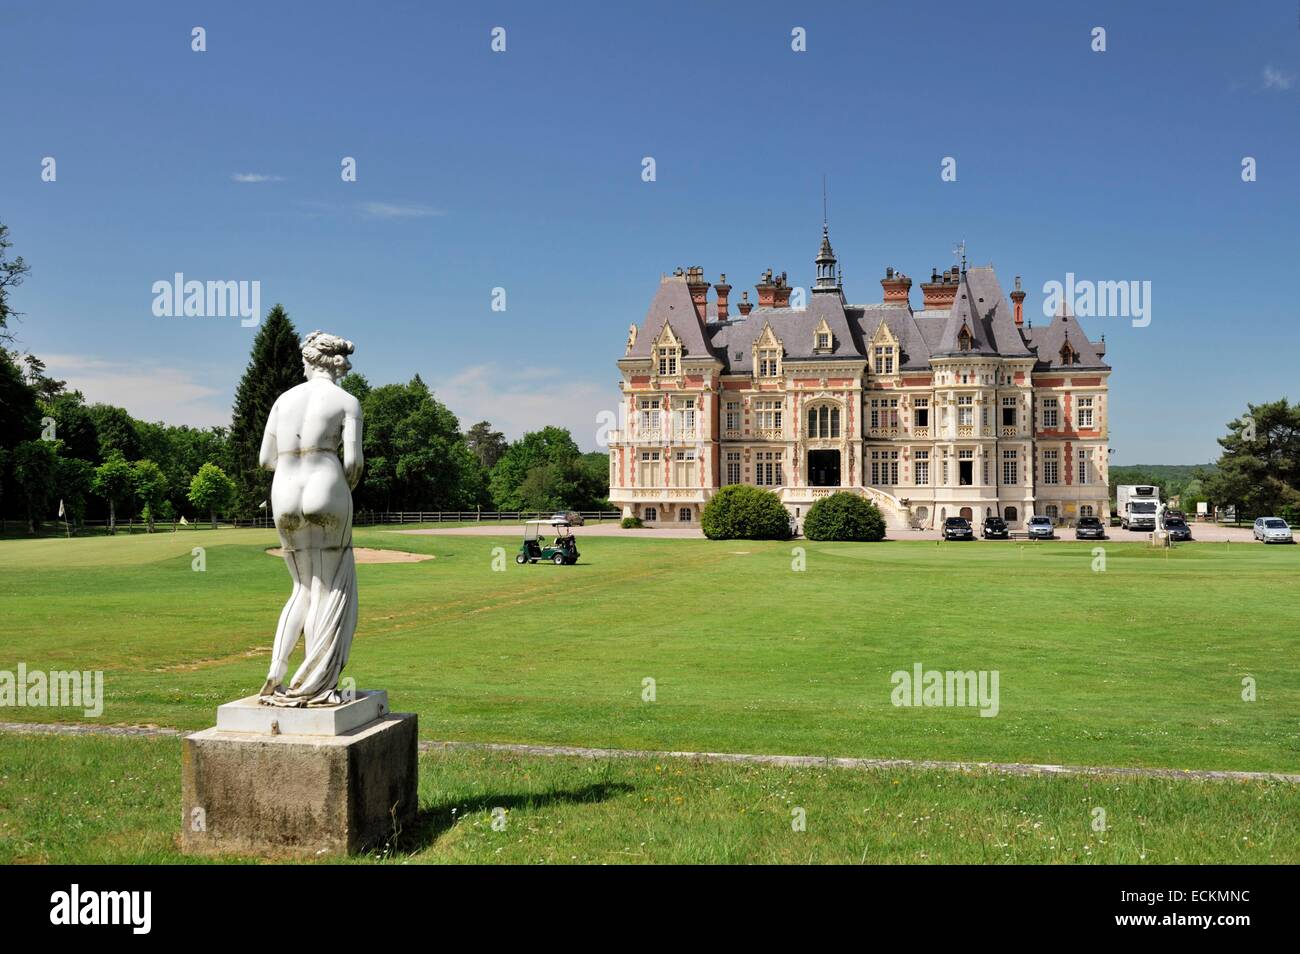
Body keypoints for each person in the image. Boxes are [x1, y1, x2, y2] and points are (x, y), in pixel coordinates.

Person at [257, 331, 364, 707]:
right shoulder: (347, 401)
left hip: (284, 491)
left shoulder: (283, 401)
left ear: (309, 361)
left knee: (300, 587)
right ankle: (316, 681)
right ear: (337, 364)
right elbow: (353, 463)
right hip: (326, 485)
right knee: (328, 587)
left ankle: (276, 670)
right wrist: (338, 486)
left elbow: (264, 459)